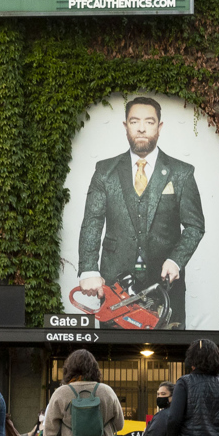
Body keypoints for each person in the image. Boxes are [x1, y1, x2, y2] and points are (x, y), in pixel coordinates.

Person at [69, 96, 206, 330]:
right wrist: (89, 269)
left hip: (166, 288)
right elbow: (92, 222)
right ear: (126, 127)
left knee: (169, 357)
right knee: (115, 357)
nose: (142, 128)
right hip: (114, 288)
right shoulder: (104, 171)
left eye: (149, 122)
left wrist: (176, 260)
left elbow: (195, 226)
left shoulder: (181, 173)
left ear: (159, 127)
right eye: (134, 121)